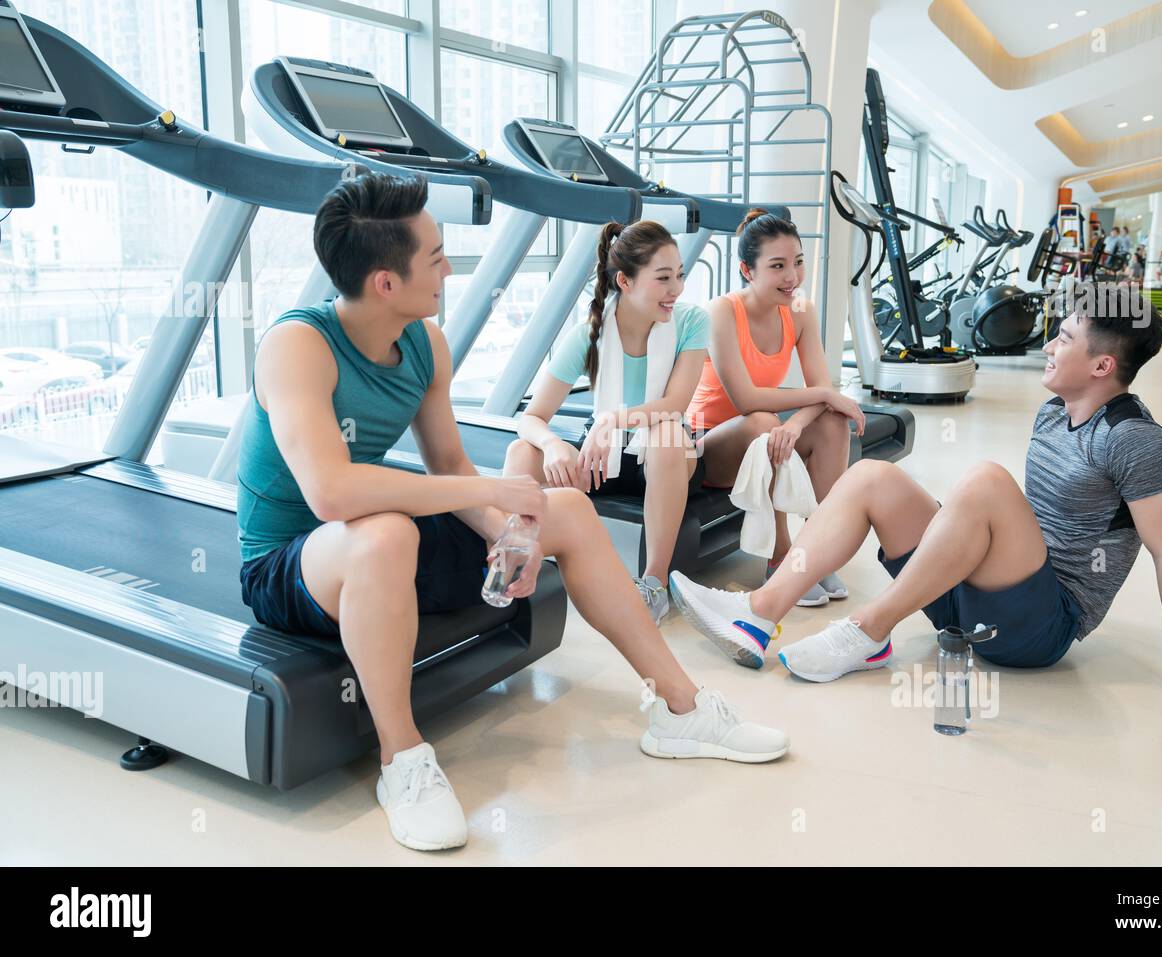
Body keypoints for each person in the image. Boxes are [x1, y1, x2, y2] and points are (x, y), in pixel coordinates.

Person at [236, 173, 789, 852]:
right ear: (386, 281)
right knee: (383, 534)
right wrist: (493, 496)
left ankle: (681, 708)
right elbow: (332, 495)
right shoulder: (297, 345)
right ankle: (403, 760)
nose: (446, 267)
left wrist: (509, 536)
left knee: (567, 514)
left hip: (382, 535)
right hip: (292, 561)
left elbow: (448, 468)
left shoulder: (424, 342)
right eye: (435, 257)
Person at [669, 284, 1162, 723]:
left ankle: (867, 630)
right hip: (978, 596)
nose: (1047, 345)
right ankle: (758, 614)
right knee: (874, 477)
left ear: (1101, 364)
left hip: (1039, 627)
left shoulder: (1135, 441)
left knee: (985, 479)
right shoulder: (1054, 410)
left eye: (1063, 339)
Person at [504, 221, 707, 624]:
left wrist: (613, 420)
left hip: (667, 455)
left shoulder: (691, 322)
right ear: (625, 282)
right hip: (605, 459)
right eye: (663, 278)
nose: (677, 289)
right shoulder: (590, 333)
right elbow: (531, 418)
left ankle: (654, 584)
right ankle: (511, 564)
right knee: (521, 451)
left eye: (680, 276)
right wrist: (552, 444)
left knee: (666, 433)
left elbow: (674, 404)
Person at [686, 209, 866, 609]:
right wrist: (822, 396)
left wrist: (800, 422)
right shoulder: (722, 312)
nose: (792, 277)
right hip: (707, 448)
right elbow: (746, 400)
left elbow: (821, 391)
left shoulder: (800, 308)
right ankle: (781, 560)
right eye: (778, 266)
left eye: (798, 262)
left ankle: (816, 553)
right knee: (766, 423)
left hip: (760, 432)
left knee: (832, 423)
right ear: (747, 271)